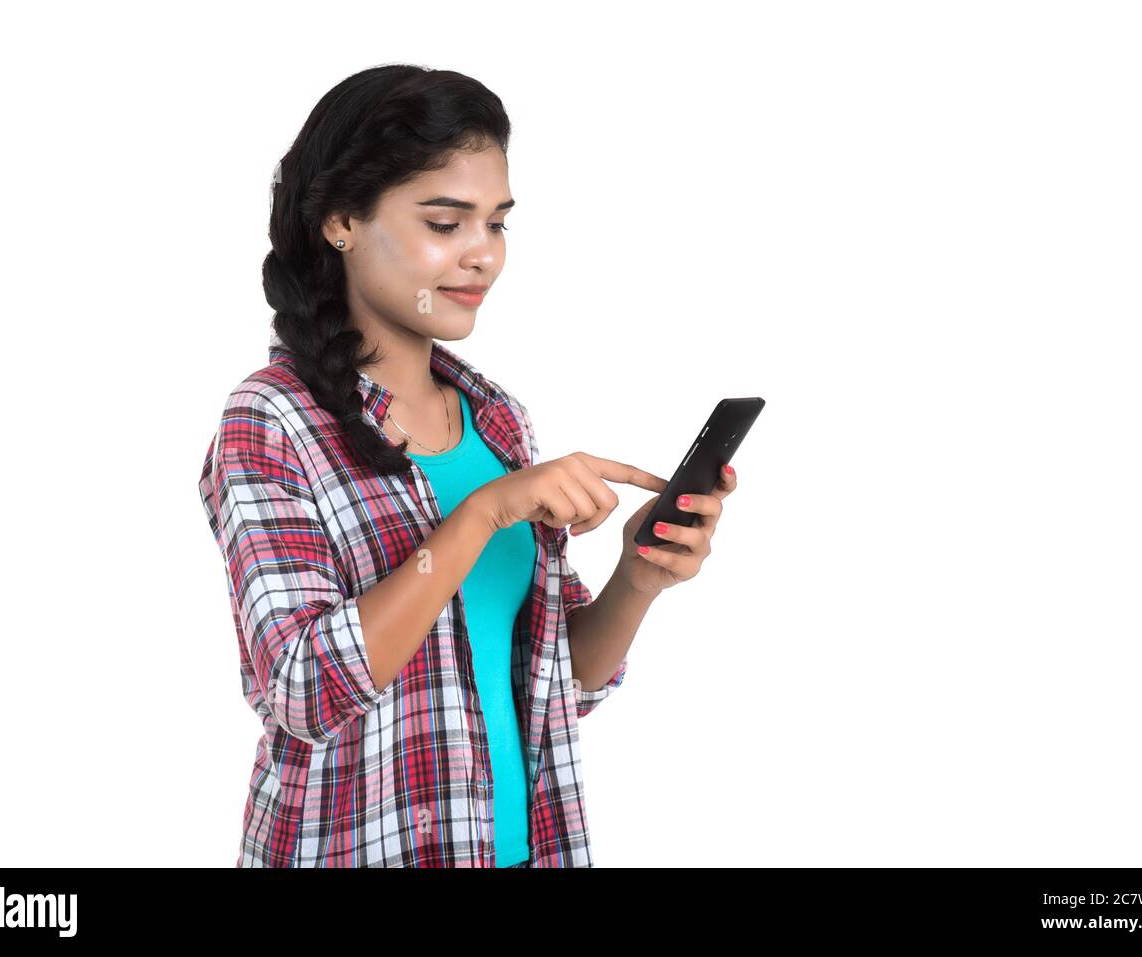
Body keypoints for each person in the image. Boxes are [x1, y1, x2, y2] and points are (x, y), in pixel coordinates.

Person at [197, 64, 738, 867]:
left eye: (498, 223)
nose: (482, 256)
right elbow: (303, 690)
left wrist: (637, 576)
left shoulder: (498, 421)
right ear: (342, 220)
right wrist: (482, 512)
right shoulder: (272, 422)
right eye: (446, 224)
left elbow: (562, 682)